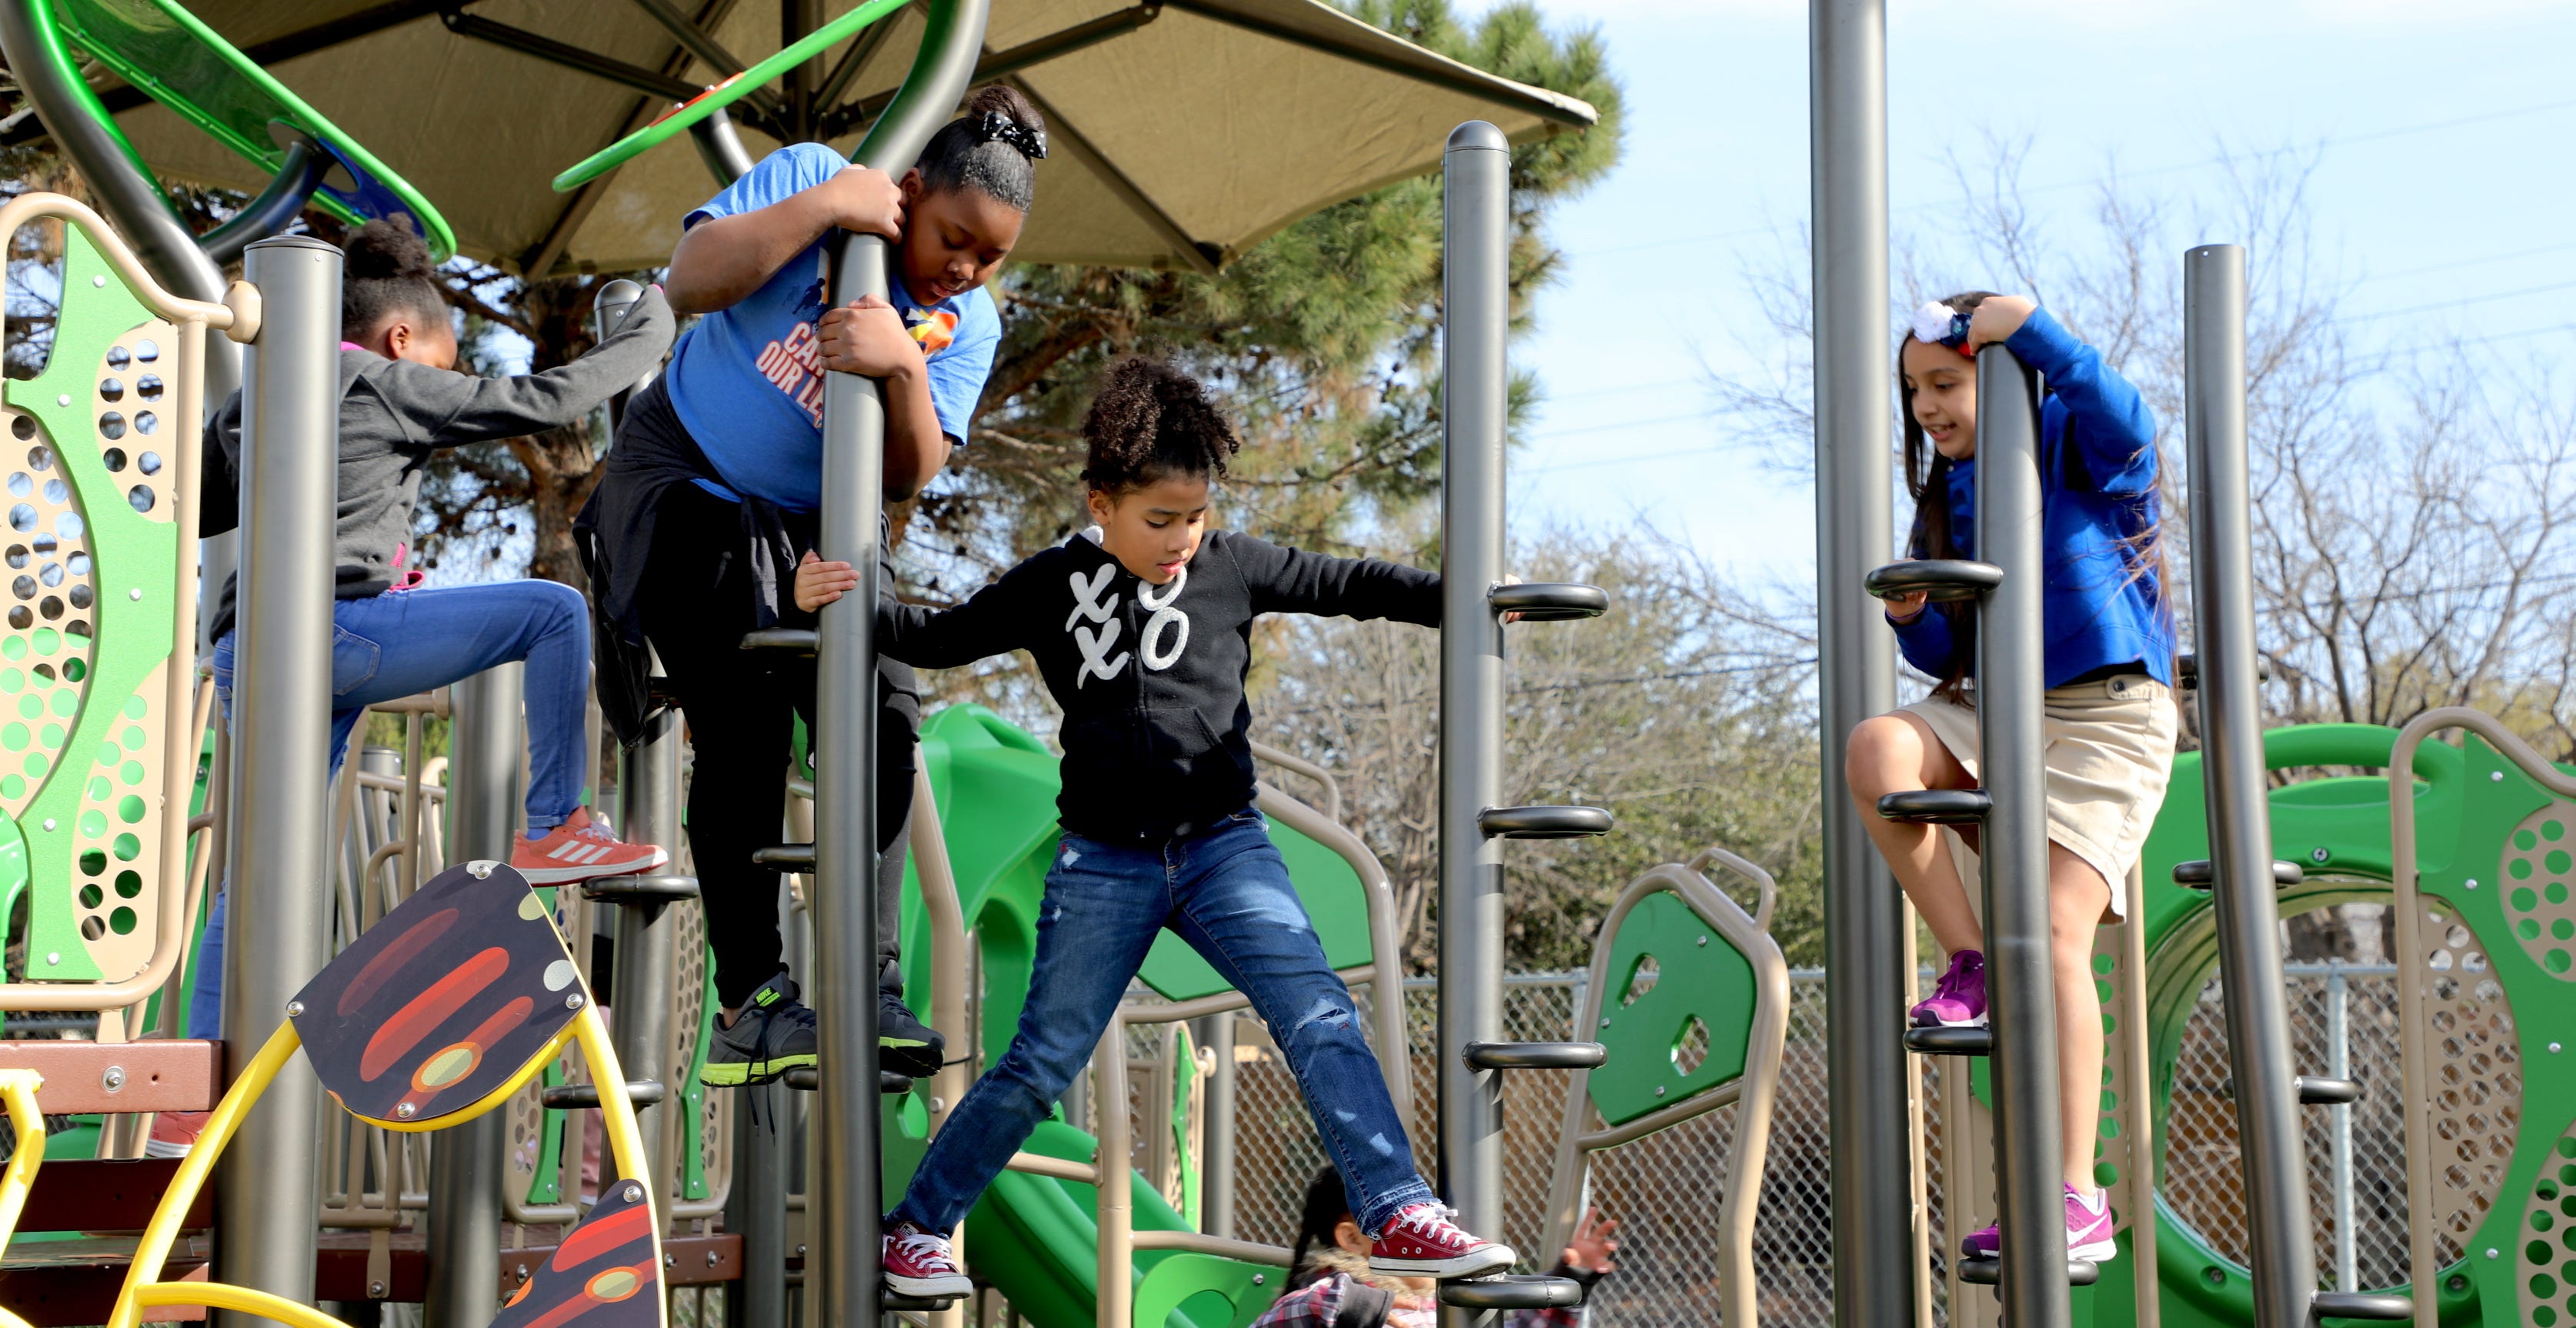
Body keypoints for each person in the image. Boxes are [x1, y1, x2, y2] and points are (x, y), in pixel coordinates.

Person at [793, 359, 1516, 1296]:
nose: (1181, 539)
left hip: (1223, 846)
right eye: (1159, 519)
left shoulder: (1235, 567)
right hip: (1103, 863)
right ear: (1102, 504)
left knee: (1318, 1012)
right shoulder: (1049, 584)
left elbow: (1356, 584)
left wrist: (1468, 592)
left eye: (1197, 516)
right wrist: (836, 600)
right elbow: (934, 638)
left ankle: (1396, 1209)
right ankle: (919, 1229)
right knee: (1041, 1058)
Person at [155, 219, 676, 1156]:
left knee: (258, 878)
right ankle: (558, 820)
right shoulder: (384, 378)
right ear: (403, 339)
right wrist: (653, 332)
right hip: (333, 636)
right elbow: (545, 397)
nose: (454, 374)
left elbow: (205, 498)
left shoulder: (273, 388)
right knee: (554, 612)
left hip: (253, 648)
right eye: (451, 354)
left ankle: (190, 1095)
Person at [575, 85, 1048, 1087]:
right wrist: (830, 210)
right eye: (954, 237)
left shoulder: (966, 322)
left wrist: (902, 370)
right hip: (685, 485)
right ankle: (750, 1002)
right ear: (910, 191)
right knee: (742, 715)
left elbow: (910, 472)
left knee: (884, 712)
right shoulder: (814, 177)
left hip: (816, 535)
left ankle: (867, 985)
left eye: (989, 257)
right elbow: (693, 279)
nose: (965, 267)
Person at [1844, 292, 2177, 1262]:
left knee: (2057, 931)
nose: (1926, 409)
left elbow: (2132, 419)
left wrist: (2031, 329)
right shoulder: (1954, 493)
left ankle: (2074, 1196)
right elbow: (1963, 642)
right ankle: (1970, 958)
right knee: (1878, 750)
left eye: (1944, 384)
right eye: (1913, 390)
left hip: (2103, 714)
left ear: (2003, 380)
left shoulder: (2078, 445)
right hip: (2000, 712)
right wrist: (1917, 619)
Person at [1250, 1165, 1621, 1328]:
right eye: (1405, 1219)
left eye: (1427, 1215)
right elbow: (1284, 1317)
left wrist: (1572, 1275)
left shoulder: (1437, 1298)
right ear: (1352, 1239)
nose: (1430, 1228)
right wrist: (1345, 1305)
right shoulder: (1340, 1298)